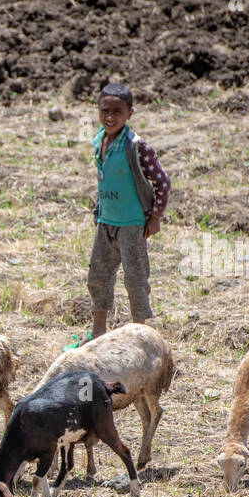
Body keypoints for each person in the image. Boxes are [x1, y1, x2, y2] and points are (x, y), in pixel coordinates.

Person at [84, 83, 171, 340]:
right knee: (98, 277)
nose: (110, 117)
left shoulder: (136, 146)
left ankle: (139, 334)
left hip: (132, 224)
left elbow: (162, 181)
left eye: (117, 111)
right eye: (105, 111)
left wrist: (155, 216)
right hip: (106, 222)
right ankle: (98, 331)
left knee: (135, 280)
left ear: (130, 113)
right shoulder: (100, 141)